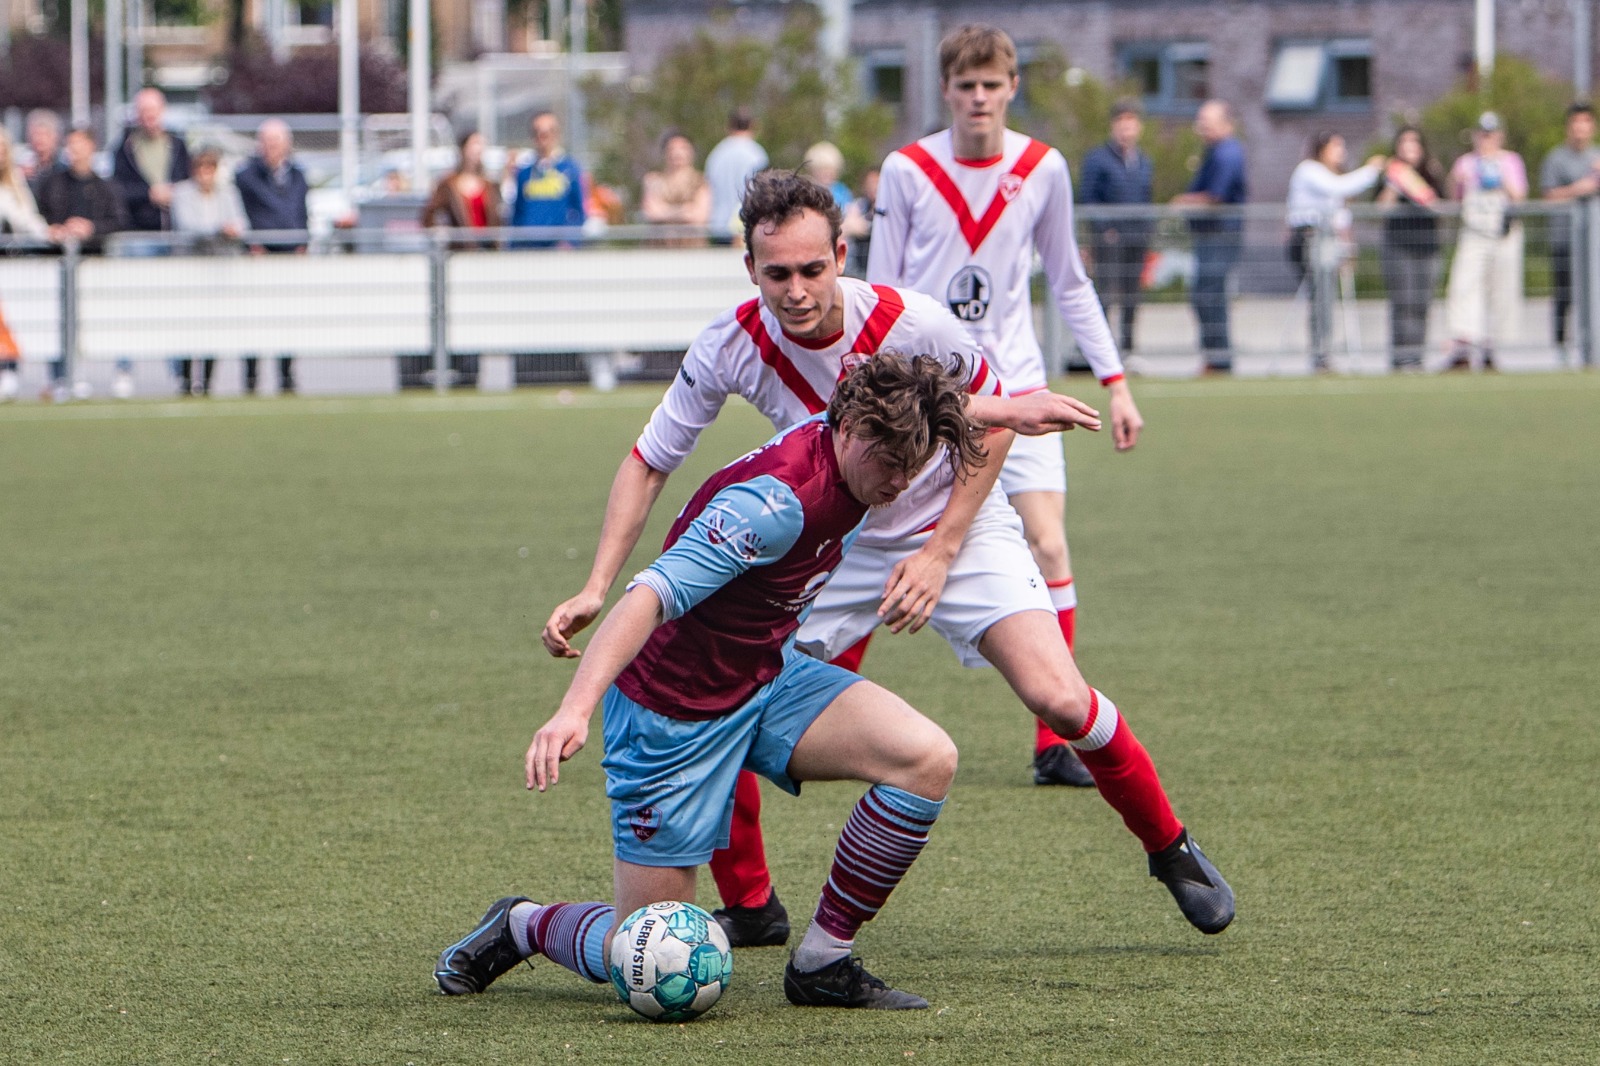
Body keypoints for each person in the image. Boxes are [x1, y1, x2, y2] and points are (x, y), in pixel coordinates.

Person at [541, 171, 1233, 951]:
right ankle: (753, 903)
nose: (797, 291)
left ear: (842, 255)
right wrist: (597, 584)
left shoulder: (913, 321)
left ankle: (1168, 845)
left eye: (813, 269)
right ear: (750, 268)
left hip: (953, 518)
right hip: (834, 536)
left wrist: (939, 551)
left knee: (1060, 698)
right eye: (777, 273)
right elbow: (649, 459)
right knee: (727, 687)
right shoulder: (729, 344)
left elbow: (992, 421)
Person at [439, 353, 990, 1010]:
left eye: (914, 462)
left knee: (926, 759)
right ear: (846, 428)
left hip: (766, 678)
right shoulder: (775, 505)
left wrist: (1020, 409)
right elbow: (649, 595)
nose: (900, 480)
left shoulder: (860, 440)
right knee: (642, 952)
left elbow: (938, 412)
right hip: (670, 712)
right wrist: (574, 709)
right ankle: (523, 924)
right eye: (890, 460)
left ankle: (821, 963)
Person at [867, 23, 1145, 789]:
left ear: (1012, 87)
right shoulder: (907, 169)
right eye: (966, 86)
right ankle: (809, 713)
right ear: (946, 91)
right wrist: (877, 390)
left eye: (992, 85)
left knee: (1049, 545)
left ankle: (1056, 741)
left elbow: (1070, 281)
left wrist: (1115, 382)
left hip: (1019, 390)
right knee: (861, 548)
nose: (979, 98)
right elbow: (881, 290)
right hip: (929, 395)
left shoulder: (1043, 167)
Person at [36, 127, 127, 400]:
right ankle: (59, 379)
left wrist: (91, 228)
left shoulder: (105, 186)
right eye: (70, 145)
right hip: (58, 266)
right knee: (56, 323)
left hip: (94, 267)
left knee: (90, 324)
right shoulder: (52, 182)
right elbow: (38, 216)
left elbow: (119, 220)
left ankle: (90, 376)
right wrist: (54, 230)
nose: (73, 151)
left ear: (91, 147)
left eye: (79, 145)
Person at [1284, 132, 1383, 371]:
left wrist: (1347, 248)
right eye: (1336, 146)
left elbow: (1340, 216)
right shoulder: (1309, 170)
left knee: (1326, 297)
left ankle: (1324, 352)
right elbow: (1338, 187)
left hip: (1328, 240)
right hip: (1309, 239)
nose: (1341, 151)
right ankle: (1320, 353)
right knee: (1319, 297)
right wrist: (1370, 170)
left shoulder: (1332, 175)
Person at [1444, 112, 1527, 371]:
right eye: (1482, 134)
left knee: (1500, 290)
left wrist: (1500, 177)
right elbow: (1454, 197)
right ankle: (1464, 345)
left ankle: (1492, 348)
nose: (1486, 140)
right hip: (1474, 232)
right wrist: (1456, 179)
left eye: (1491, 134)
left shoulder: (1511, 161)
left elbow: (1520, 196)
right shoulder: (1466, 163)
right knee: (1464, 286)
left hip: (1502, 233)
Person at [234, 119, 310, 395]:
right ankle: (251, 377)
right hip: (260, 256)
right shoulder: (246, 175)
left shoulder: (297, 175)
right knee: (254, 318)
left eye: (276, 142)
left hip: (289, 255)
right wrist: (253, 242)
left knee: (287, 318)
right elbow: (246, 211)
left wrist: (302, 242)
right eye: (267, 142)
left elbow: (301, 210)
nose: (271, 148)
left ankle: (286, 375)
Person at [1172, 99, 1248, 373]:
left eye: (1206, 122)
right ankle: (1214, 356)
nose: (1200, 128)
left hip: (1220, 235)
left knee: (1209, 295)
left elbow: (1216, 196)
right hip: (1209, 236)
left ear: (1225, 123)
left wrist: (1183, 202)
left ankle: (1219, 358)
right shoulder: (1214, 151)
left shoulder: (1228, 153)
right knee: (1205, 294)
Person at [171, 145, 249, 396]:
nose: (205, 174)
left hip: (218, 269)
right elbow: (188, 227)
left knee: (213, 325)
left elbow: (241, 224)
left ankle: (207, 381)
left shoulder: (228, 193)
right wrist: (219, 229)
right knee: (187, 326)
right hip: (190, 269)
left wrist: (231, 230)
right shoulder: (182, 193)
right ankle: (185, 380)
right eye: (201, 168)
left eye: (210, 168)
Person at [1079, 99, 1154, 353]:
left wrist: (1147, 230)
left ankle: (1128, 348)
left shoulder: (1143, 160)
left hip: (1136, 238)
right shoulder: (1098, 159)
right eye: (1121, 123)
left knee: (1132, 296)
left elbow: (1146, 197)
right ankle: (1100, 350)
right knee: (1106, 294)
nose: (1126, 129)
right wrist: (1104, 229)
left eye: (1131, 123)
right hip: (1110, 239)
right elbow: (1088, 198)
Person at [1375, 126, 1448, 371]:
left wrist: (1422, 185)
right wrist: (1396, 182)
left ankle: (1417, 357)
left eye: (1414, 142)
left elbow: (1441, 206)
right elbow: (1380, 209)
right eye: (1404, 142)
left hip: (1427, 246)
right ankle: (1400, 357)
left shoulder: (1431, 172)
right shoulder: (1392, 173)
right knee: (1403, 302)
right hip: (1398, 246)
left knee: (1421, 303)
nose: (1409, 147)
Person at [1539, 103, 1600, 358]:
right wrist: (1580, 188)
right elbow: (1548, 196)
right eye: (1576, 122)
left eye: (1586, 122)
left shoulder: (1596, 157)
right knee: (1564, 296)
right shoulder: (1556, 158)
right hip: (1565, 238)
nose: (1580, 128)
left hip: (1595, 241)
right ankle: (1561, 350)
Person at [0, 128, 52, 401]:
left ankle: (9, 371)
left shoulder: (14, 182)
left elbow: (27, 217)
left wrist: (48, 233)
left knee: (10, 320)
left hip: (10, 265)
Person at [112, 88, 191, 235]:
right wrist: (149, 193)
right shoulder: (124, 149)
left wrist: (173, 192)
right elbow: (118, 189)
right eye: (144, 110)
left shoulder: (179, 146)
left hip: (176, 228)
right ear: (137, 114)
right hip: (138, 229)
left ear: (162, 110)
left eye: (153, 110)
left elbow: (189, 180)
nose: (149, 115)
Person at [507, 111, 587, 245]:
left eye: (548, 133)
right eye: (537, 133)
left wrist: (570, 242)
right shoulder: (524, 173)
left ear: (557, 134)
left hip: (559, 249)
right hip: (529, 248)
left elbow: (578, 211)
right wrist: (515, 245)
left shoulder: (570, 169)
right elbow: (518, 214)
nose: (542, 138)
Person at [704, 107, 769, 244]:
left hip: (718, 226)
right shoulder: (757, 154)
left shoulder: (716, 154)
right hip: (746, 226)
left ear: (728, 126)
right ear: (753, 125)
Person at [422, 130, 505, 237]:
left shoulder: (490, 185)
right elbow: (430, 213)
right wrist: (440, 232)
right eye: (474, 143)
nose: (478, 149)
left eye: (481, 144)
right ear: (463, 148)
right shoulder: (449, 184)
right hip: (461, 244)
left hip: (487, 244)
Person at [639, 130, 711, 244]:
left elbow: (700, 216)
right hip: (659, 247)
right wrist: (684, 210)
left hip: (693, 247)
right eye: (672, 148)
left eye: (683, 148)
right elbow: (652, 213)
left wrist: (665, 211)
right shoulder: (653, 180)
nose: (677, 153)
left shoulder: (701, 181)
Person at [842, 167, 879, 278]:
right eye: (869, 183)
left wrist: (860, 226)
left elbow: (866, 228)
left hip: (876, 267)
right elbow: (843, 228)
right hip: (856, 268)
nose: (873, 187)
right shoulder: (860, 204)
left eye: (876, 182)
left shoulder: (889, 208)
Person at [23, 109, 65, 199]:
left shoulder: (64, 171)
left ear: (56, 137)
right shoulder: (25, 170)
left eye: (44, 134)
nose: (39, 139)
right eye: (35, 134)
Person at [804, 141, 854, 210]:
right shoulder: (806, 192)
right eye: (822, 169)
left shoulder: (843, 192)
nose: (827, 173)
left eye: (831, 169)